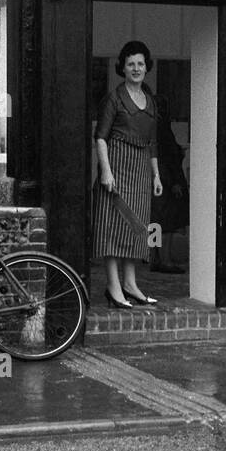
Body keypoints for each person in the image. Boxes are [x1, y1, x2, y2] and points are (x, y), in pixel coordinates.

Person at [93, 41, 164, 309]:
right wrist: (106, 172)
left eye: (140, 64)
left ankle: (130, 284)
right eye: (131, 64)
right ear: (122, 67)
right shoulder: (113, 98)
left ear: (147, 67)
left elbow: (153, 142)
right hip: (117, 170)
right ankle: (113, 287)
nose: (136, 68)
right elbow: (100, 138)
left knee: (136, 229)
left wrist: (156, 175)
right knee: (112, 229)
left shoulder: (151, 101)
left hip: (141, 171)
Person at [149, 88, 189, 274]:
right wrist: (174, 182)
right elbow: (168, 156)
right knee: (168, 223)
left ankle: (153, 257)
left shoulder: (150, 126)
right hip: (167, 180)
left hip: (156, 178)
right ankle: (164, 260)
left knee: (155, 221)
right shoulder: (162, 128)